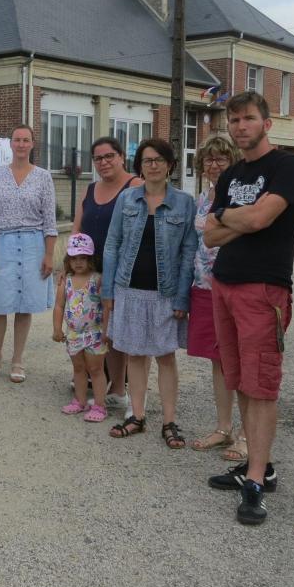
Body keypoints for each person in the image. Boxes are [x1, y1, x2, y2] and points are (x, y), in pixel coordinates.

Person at [203, 91, 294, 526]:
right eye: (234, 120)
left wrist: (230, 218)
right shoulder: (233, 174)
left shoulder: (287, 167)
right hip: (224, 283)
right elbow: (209, 235)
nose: (240, 126)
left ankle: (258, 482)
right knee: (241, 379)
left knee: (262, 385)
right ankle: (254, 466)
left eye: (248, 118)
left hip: (264, 288)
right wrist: (234, 218)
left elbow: (262, 220)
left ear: (267, 123)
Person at [101, 139, 196, 447]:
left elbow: (188, 251)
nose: (152, 165)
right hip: (128, 289)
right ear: (139, 166)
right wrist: (109, 292)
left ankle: (169, 421)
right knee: (135, 355)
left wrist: (182, 296)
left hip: (165, 294)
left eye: (158, 160)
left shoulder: (184, 203)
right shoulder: (127, 199)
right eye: (146, 160)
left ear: (170, 164)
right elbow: (112, 244)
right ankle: (137, 416)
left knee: (165, 357)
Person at [0, 124, 58, 383]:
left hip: (33, 244)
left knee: (25, 307)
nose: (21, 144)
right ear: (10, 144)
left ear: (32, 144)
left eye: (26, 140)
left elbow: (50, 221)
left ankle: (18, 359)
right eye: (17, 140)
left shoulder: (43, 177)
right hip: (3, 243)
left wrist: (49, 255)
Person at [71, 137, 142, 412]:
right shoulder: (90, 190)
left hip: (122, 272)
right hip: (90, 273)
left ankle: (121, 389)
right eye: (98, 158)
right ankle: (101, 379)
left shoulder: (135, 186)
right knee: (96, 329)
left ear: (122, 156)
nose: (104, 162)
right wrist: (71, 269)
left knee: (117, 331)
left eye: (109, 156)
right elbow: (77, 230)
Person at [187, 137, 247, 459]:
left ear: (233, 161)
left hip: (235, 287)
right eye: (209, 160)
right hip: (204, 288)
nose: (214, 165)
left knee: (243, 360)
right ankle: (224, 428)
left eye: (221, 159)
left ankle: (246, 435)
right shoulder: (202, 197)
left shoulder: (241, 196)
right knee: (218, 361)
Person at [51, 233, 108, 422]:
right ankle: (80, 401)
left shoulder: (97, 279)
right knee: (78, 368)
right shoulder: (65, 281)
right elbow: (59, 306)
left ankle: (100, 406)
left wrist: (107, 330)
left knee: (96, 369)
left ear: (90, 259)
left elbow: (107, 306)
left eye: (83, 258)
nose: (78, 262)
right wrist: (57, 328)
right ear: (68, 260)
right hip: (74, 334)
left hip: (95, 333)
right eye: (74, 258)